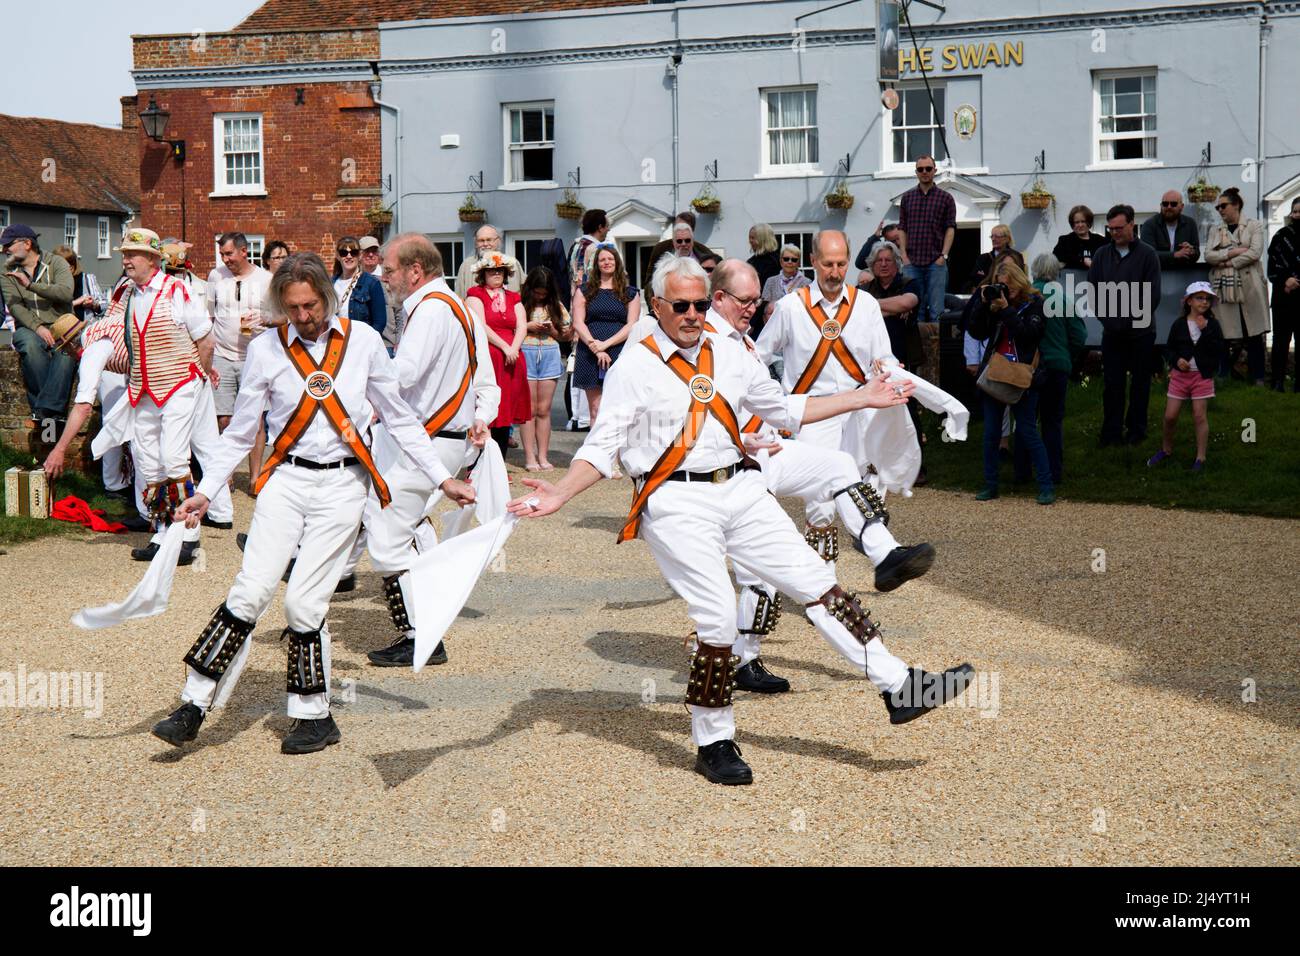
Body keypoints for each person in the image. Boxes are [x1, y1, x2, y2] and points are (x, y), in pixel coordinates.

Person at [506, 253, 973, 785]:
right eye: (679, 304)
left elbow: (784, 410)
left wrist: (861, 396)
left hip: (742, 486)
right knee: (718, 617)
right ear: (656, 305)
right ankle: (714, 739)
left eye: (700, 304)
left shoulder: (728, 353)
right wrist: (560, 496)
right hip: (675, 500)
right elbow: (602, 445)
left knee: (819, 583)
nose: (690, 314)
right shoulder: (636, 365)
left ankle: (899, 686)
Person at [151, 252, 475, 754]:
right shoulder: (265, 349)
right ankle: (193, 704)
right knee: (250, 591)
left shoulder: (363, 342)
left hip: (344, 487)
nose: (304, 317)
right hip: (284, 482)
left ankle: (313, 716)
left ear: (326, 295)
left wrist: (441, 478)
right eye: (293, 308)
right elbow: (241, 432)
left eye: (311, 305)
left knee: (304, 602)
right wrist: (205, 491)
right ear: (280, 305)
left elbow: (400, 417)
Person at [706, 258, 937, 694]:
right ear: (718, 298)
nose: (755, 307)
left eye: (758, 300)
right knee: (759, 583)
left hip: (763, 453)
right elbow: (691, 414)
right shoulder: (705, 345)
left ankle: (882, 552)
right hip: (722, 476)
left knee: (837, 470)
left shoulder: (742, 342)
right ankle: (736, 666)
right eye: (746, 300)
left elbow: (776, 405)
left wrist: (864, 393)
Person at [365, 234, 498, 668]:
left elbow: (404, 371)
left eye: (388, 270)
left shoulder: (429, 309)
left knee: (386, 537)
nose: (384, 278)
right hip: (440, 440)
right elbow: (484, 372)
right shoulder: (457, 306)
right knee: (407, 523)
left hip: (426, 440)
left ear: (414, 271)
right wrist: (484, 412)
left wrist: (357, 368)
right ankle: (430, 611)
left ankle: (421, 633)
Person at [81, 228, 215, 563]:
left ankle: (189, 535)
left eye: (132, 253)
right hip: (142, 387)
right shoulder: (128, 293)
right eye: (124, 253)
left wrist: (199, 375)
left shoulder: (177, 290)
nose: (125, 259)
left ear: (154, 259)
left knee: (173, 456)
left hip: (178, 383)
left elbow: (205, 339)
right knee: (148, 461)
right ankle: (162, 532)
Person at [967, 259, 1055, 504]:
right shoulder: (994, 304)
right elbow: (976, 331)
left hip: (1024, 375)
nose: (1005, 289)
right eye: (1000, 285)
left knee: (1028, 431)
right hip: (996, 373)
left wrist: (1006, 310)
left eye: (1009, 285)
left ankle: (1046, 486)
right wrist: (983, 305)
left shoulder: (1036, 304)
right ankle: (990, 485)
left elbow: (1029, 335)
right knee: (991, 433)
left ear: (1019, 281)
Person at [1088, 203, 1162, 446]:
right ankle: (1111, 432)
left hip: (1141, 333)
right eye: (1110, 229)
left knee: (1140, 385)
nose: (1115, 233)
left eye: (1119, 228)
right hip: (1112, 333)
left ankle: (1136, 431)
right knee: (1112, 385)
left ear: (1132, 224)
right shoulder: (1101, 255)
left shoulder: (1148, 254)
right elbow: (1094, 292)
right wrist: (1109, 320)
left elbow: (1152, 295)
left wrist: (1131, 320)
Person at [206, 232, 274, 485]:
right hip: (222, 355)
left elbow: (280, 317)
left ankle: (255, 476)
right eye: (222, 254)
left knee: (255, 420)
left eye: (229, 254)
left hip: (254, 357)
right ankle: (228, 474)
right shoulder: (216, 276)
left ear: (244, 251)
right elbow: (209, 315)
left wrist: (263, 321)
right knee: (224, 418)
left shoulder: (265, 279)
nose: (225, 259)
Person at [1, 224, 75, 431]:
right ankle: (51, 412)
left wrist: (31, 285)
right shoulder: (6, 271)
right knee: (31, 347)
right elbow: (15, 306)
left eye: (9, 245)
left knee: (66, 352)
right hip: (28, 327)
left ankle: (44, 412)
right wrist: (39, 327)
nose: (5, 249)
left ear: (27, 243)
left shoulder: (56, 262)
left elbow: (66, 293)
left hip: (63, 324)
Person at [1147, 282, 1225, 472]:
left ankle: (1201, 457)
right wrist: (1176, 360)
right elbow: (1169, 348)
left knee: (1199, 415)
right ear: (1189, 301)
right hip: (1180, 377)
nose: (1204, 302)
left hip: (1202, 376)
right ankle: (1166, 449)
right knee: (1170, 415)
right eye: (1199, 298)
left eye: (1207, 299)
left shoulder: (1213, 325)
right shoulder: (1179, 324)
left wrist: (1205, 330)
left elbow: (1219, 349)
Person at [572, 243, 641, 436]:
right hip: (590, 351)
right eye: (602, 259)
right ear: (597, 264)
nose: (606, 262)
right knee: (596, 409)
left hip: (619, 351)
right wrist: (596, 348)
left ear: (617, 263)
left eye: (610, 259)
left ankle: (617, 457)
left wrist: (606, 345)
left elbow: (632, 325)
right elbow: (578, 322)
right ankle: (596, 458)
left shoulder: (630, 293)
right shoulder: (584, 290)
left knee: (618, 409)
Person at [1029, 254, 1086, 486]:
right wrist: (1068, 355)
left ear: (1034, 271)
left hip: (1027, 368)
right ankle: (1054, 473)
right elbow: (1079, 336)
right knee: (1052, 422)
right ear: (1056, 273)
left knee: (1026, 421)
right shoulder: (1064, 299)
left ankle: (1022, 471)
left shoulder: (1026, 296)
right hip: (1057, 365)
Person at [464, 251, 528, 457]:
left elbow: (522, 326)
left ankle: (499, 460)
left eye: (500, 271)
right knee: (488, 408)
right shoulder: (475, 295)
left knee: (506, 410)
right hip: (490, 356)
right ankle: (479, 460)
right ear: (483, 274)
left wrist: (514, 347)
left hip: (512, 359)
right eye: (491, 271)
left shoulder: (513, 297)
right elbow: (481, 325)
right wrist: (504, 347)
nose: (496, 274)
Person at [1204, 187, 1269, 386]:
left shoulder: (1253, 226)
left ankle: (1257, 376)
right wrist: (1230, 254)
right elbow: (1208, 256)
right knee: (1223, 332)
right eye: (1217, 207)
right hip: (1223, 288)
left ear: (1236, 205)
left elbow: (1255, 253)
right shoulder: (1215, 230)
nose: (1220, 210)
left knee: (1254, 332)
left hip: (1249, 285)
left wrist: (1226, 261)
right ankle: (1224, 375)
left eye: (1223, 206)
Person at [519, 266, 570, 471]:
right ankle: (530, 457)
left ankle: (543, 456)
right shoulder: (520, 305)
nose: (540, 296)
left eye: (544, 293)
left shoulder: (556, 306)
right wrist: (527, 326)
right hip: (526, 352)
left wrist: (553, 329)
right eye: (537, 292)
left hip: (549, 353)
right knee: (528, 410)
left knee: (544, 409)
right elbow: (511, 329)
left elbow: (566, 334)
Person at [897, 155, 956, 323]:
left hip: (935, 263)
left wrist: (943, 256)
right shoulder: (907, 198)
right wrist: (904, 256)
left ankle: (936, 349)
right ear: (916, 172)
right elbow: (902, 228)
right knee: (914, 310)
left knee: (936, 311)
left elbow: (950, 229)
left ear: (935, 171)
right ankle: (916, 349)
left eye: (928, 169)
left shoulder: (946, 198)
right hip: (911, 263)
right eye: (920, 169)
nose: (924, 172)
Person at [1266, 197, 1300, 391]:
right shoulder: (1280, 235)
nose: (1296, 215)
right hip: (1283, 298)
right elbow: (1272, 267)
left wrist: (1296, 281)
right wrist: (1285, 280)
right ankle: (1277, 381)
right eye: (1294, 212)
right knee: (1280, 341)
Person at [639, 211, 715, 290]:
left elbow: (714, 280)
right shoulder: (660, 249)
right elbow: (650, 282)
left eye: (687, 240)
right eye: (679, 241)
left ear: (691, 232)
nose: (683, 244)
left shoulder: (705, 253)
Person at [331, 236, 387, 335]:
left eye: (353, 252)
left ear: (360, 255)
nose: (349, 256)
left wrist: (365, 344)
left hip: (361, 343)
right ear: (338, 256)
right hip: (336, 343)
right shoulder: (331, 284)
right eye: (344, 253)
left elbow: (379, 323)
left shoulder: (371, 283)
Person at [361, 235, 402, 354]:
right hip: (361, 344)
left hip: (387, 344)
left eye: (374, 251)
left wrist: (398, 340)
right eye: (366, 251)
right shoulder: (355, 279)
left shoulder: (390, 276)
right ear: (359, 254)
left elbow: (399, 311)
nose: (370, 255)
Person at [1140, 191, 1201, 270]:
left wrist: (1191, 251)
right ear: (1161, 206)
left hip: (1183, 274)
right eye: (1165, 204)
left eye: (1173, 204)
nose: (1169, 207)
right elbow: (1147, 255)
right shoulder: (1149, 225)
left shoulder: (1190, 224)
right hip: (1157, 274)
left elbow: (1197, 253)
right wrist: (1175, 255)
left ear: (1181, 206)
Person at [456, 225, 521, 297]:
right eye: (481, 240)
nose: (485, 244)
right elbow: (459, 295)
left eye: (489, 240)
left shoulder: (512, 263)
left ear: (498, 241)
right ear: (476, 243)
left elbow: (524, 292)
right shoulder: (466, 265)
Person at [965, 224, 1026, 292]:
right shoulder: (983, 258)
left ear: (1007, 239)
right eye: (992, 236)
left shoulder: (1016, 256)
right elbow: (972, 282)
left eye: (997, 236)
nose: (993, 239)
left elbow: (1021, 279)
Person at [54, 246, 105, 322]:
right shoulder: (50, 282)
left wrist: (93, 304)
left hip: (85, 330)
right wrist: (77, 302)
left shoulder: (87, 279)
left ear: (71, 267)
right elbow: (50, 309)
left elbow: (104, 306)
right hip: (60, 331)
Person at [568, 208, 608, 300]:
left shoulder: (574, 245)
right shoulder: (597, 249)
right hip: (593, 303)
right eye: (606, 226)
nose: (608, 229)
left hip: (575, 301)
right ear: (600, 228)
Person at [1052, 205, 1107, 271]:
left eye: (1083, 221)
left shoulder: (1101, 241)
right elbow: (1057, 257)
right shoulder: (1065, 240)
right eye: (1077, 222)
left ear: (1088, 222)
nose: (1080, 225)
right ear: (1072, 224)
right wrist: (1082, 260)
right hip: (1071, 280)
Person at [746, 223, 781, 289]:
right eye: (750, 237)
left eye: (753, 238)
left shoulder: (777, 261)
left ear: (763, 239)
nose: (750, 241)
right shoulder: (751, 262)